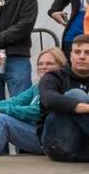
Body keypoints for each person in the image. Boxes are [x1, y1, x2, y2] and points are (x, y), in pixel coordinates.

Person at [0, 47, 65, 157]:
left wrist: (3, 110)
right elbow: (16, 101)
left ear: (61, 67)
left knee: (2, 119)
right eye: (40, 64)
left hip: (51, 140)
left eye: (49, 64)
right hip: (38, 134)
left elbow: (36, 111)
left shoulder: (61, 86)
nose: (44, 67)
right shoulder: (38, 86)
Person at [38, 34, 89, 162]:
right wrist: (84, 107)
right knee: (76, 95)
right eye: (77, 52)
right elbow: (49, 99)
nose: (82, 56)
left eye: (87, 53)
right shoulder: (53, 77)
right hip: (58, 144)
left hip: (84, 148)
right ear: (70, 55)